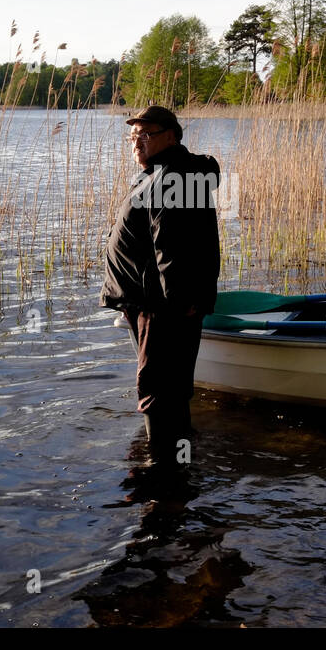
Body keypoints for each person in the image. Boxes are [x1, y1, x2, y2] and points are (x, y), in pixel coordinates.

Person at [101, 105, 221, 462]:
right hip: (154, 301)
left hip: (160, 305)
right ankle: (181, 455)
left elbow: (172, 245)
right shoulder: (169, 173)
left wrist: (175, 304)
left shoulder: (171, 177)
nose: (136, 143)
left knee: (157, 387)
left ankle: (163, 468)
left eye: (145, 135)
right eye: (132, 136)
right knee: (173, 387)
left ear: (171, 135)